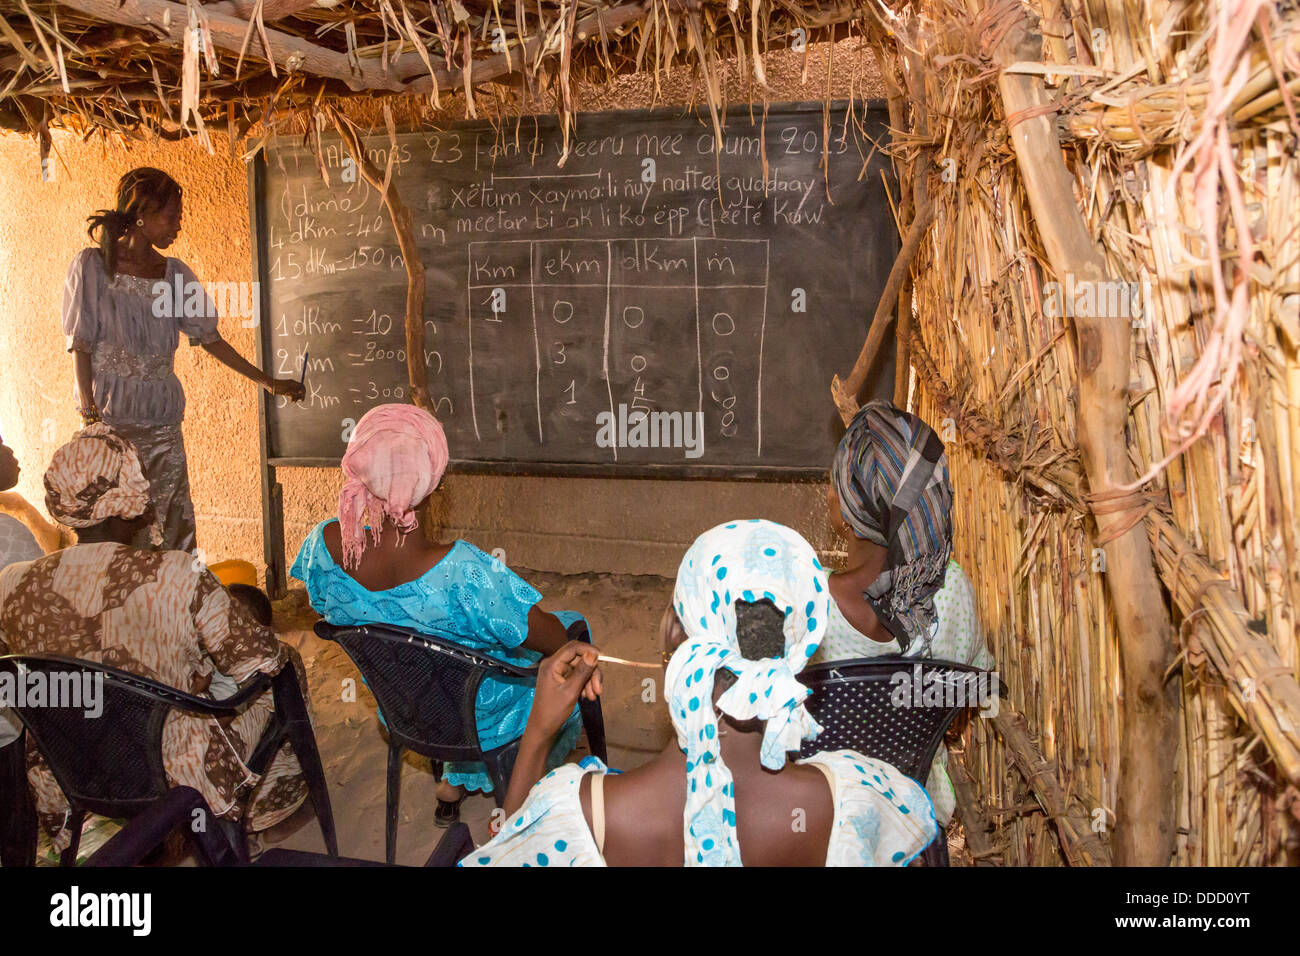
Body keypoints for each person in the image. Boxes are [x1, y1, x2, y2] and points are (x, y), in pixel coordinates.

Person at [463, 519, 937, 867]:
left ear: (671, 632)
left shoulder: (587, 813)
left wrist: (538, 734)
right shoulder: (851, 800)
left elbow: (509, 851)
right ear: (798, 654)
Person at [0, 425, 311, 855]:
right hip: (167, 768)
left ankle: (105, 832)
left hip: (70, 766)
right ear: (125, 505)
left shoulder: (11, 584)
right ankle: (266, 811)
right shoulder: (176, 573)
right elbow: (260, 661)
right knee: (287, 663)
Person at [290, 403, 599, 825]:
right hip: (480, 714)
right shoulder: (462, 571)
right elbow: (546, 636)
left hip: (404, 707)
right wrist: (571, 645)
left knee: (451, 660)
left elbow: (325, 606)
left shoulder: (325, 545)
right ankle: (543, 774)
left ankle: (453, 782)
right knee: (572, 628)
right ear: (433, 483)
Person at [64, 166, 306, 553]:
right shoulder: (92, 267)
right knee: (117, 527)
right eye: (172, 215)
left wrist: (268, 382)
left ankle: (173, 601)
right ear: (141, 214)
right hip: (110, 426)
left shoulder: (174, 275)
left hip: (161, 424)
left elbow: (210, 338)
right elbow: (81, 344)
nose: (179, 224)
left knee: (171, 521)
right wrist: (90, 415)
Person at [812, 400, 993, 825]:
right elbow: (970, 687)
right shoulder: (953, 591)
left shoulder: (803, 601)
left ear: (841, 508)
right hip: (912, 821)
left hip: (818, 826)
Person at [0, 431, 42, 866]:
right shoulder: (9, 536)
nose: (11, 450)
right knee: (14, 825)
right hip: (4, 719)